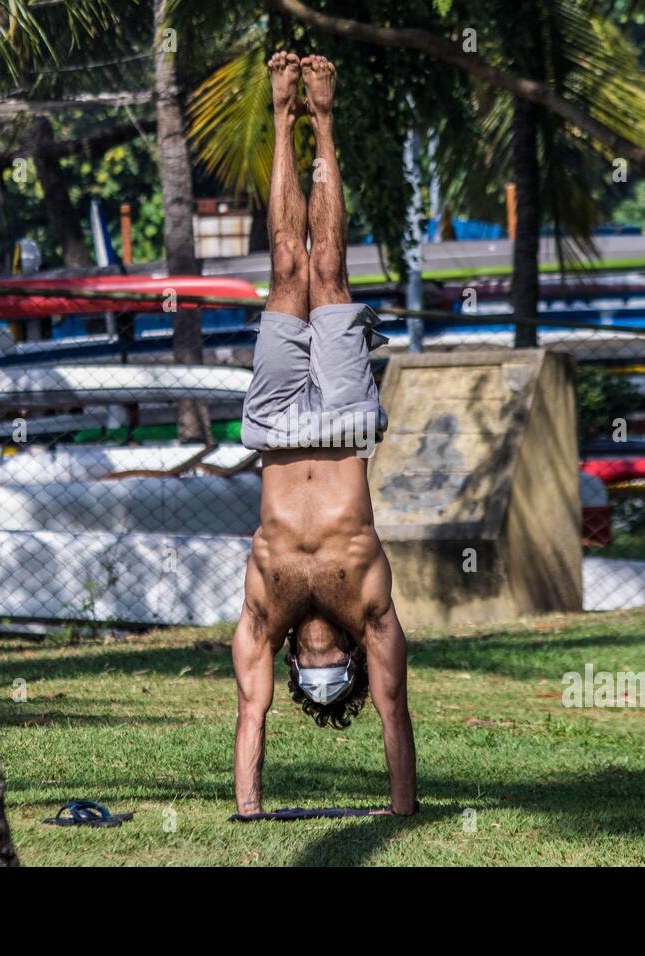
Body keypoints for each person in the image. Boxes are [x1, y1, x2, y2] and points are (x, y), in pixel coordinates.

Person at [230, 51, 416, 817]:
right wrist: (401, 807)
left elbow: (249, 712)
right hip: (342, 427)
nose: (315, 653)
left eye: (307, 662)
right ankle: (324, 120)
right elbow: (396, 711)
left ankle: (282, 115)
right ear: (348, 654)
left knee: (284, 269)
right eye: (326, 659)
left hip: (274, 429)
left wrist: (249, 808)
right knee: (328, 270)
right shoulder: (369, 609)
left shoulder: (266, 611)